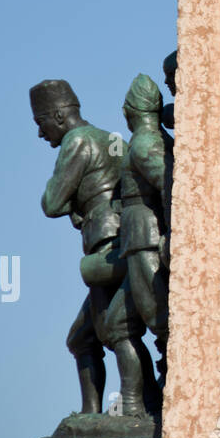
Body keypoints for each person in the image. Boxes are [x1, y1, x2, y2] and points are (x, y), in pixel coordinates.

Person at [31, 79, 158, 418]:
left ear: (58, 115)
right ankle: (99, 410)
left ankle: (138, 404)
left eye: (40, 122)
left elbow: (51, 202)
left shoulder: (77, 141)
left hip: (105, 244)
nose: (41, 134)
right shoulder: (112, 138)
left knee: (114, 329)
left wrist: (72, 205)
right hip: (122, 238)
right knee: (84, 337)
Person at [119, 74, 173, 383]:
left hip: (144, 237)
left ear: (130, 111)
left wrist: (172, 235)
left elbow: (167, 186)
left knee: (157, 316)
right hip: (138, 235)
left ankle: (169, 377)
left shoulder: (144, 143)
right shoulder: (152, 140)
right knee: (117, 323)